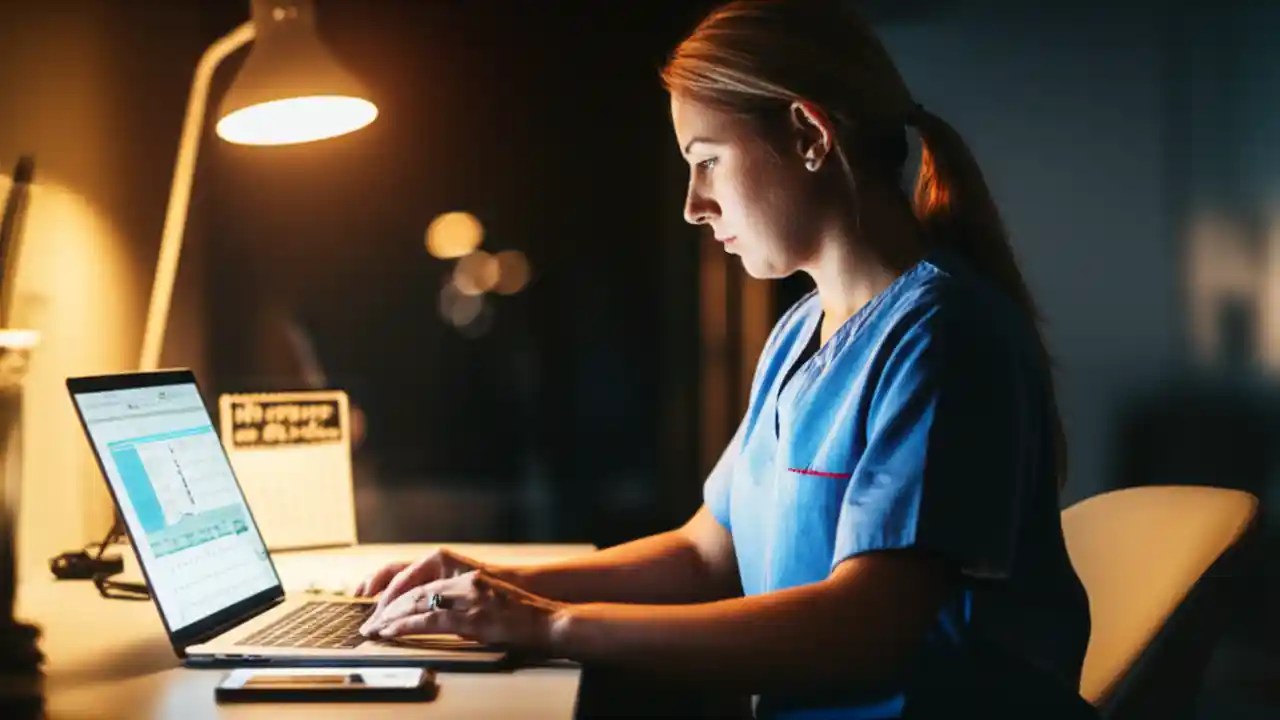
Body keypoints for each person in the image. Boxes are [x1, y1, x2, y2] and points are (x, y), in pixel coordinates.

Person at [355, 1, 1096, 716]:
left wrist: (550, 625)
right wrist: (490, 582)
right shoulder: (800, 333)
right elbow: (705, 554)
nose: (693, 204)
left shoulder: (942, 336)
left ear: (808, 135)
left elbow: (864, 627)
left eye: (707, 160)